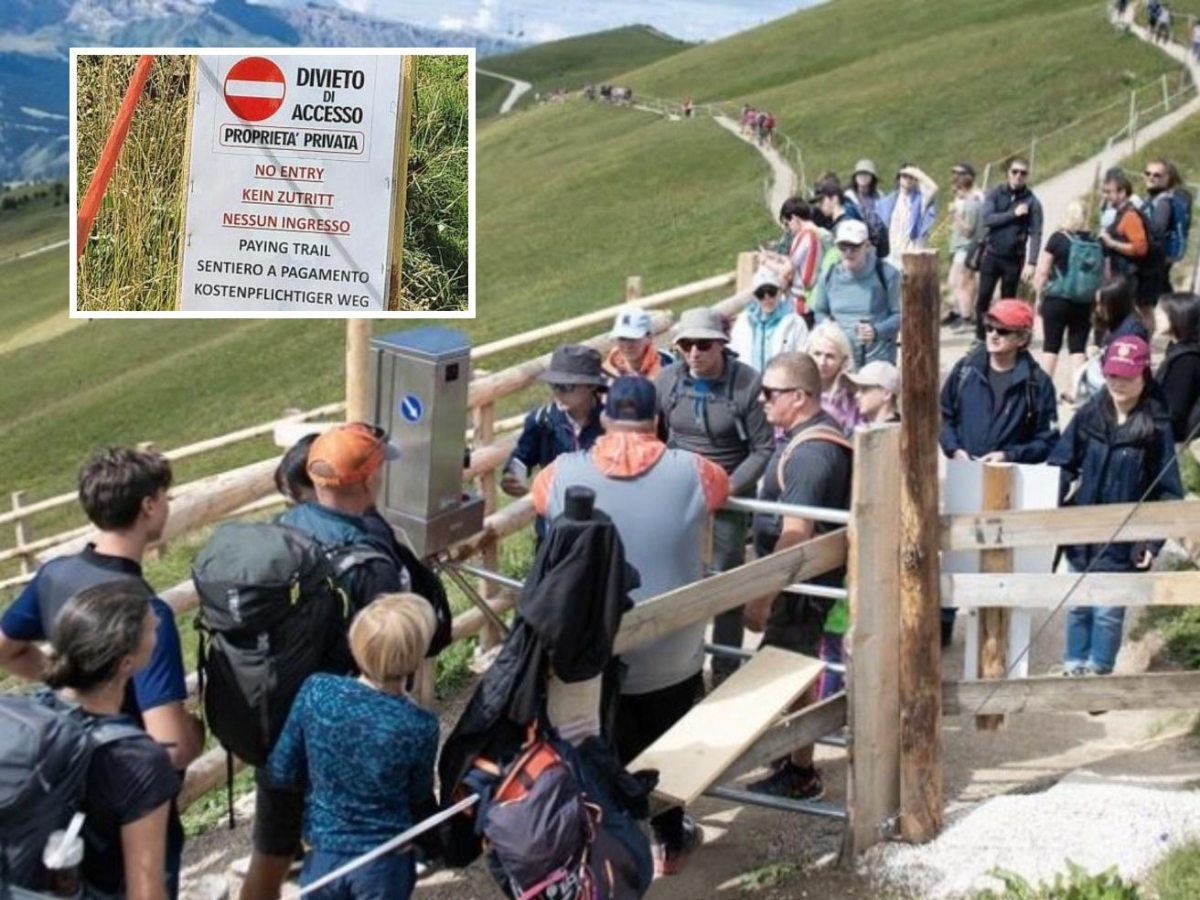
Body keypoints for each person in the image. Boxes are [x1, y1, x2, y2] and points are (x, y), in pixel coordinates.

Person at [533, 376, 731, 876]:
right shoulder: (693, 470)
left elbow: (539, 501)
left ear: (603, 418)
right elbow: (722, 488)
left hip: (596, 653)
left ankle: (610, 845)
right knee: (668, 743)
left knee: (602, 746)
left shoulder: (561, 473)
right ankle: (670, 837)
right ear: (658, 419)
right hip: (673, 650)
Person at [0, 447, 200, 898]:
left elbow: (8, 651)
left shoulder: (55, 573)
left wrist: (63, 676)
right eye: (165, 496)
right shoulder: (145, 615)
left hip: (59, 779)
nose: (168, 505)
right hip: (127, 793)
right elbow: (171, 747)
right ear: (149, 505)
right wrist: (198, 733)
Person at [243, 422, 414, 900]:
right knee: (355, 852)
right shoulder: (372, 563)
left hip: (279, 713)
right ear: (366, 481)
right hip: (342, 733)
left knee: (272, 851)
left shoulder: (284, 529)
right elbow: (390, 651)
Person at [265, 595, 439, 900]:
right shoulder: (418, 725)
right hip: (384, 861)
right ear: (415, 657)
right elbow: (418, 795)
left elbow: (280, 770)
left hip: (323, 856)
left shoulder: (317, 691)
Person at [743, 353, 853, 800]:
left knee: (778, 676)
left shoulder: (810, 454)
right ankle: (795, 764)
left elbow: (794, 536)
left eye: (770, 393)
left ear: (801, 397)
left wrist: (761, 597)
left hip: (799, 588)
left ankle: (799, 770)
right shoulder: (811, 437)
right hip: (802, 584)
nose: (762, 401)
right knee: (795, 675)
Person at [1049, 335, 1182, 676]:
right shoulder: (1088, 415)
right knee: (1078, 604)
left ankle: (1099, 671)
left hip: (1125, 539)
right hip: (1082, 530)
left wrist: (1151, 542)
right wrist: (1052, 509)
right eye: (1111, 375)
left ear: (1144, 375)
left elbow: (1169, 493)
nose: (1117, 383)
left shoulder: (1156, 426)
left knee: (1108, 610)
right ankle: (1073, 666)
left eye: (1126, 376)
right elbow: (1062, 464)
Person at [655, 309, 774, 686]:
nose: (694, 352)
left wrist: (728, 488)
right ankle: (679, 663)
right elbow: (656, 436)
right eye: (686, 345)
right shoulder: (667, 381)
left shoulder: (747, 385)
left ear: (721, 345)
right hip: (679, 492)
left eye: (703, 344)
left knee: (725, 578)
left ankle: (724, 667)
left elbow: (763, 447)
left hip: (728, 497)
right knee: (677, 577)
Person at [45, 582, 180, 900]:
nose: (158, 624)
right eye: (150, 628)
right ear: (127, 663)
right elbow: (145, 894)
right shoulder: (139, 761)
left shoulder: (31, 717)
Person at [939, 299, 1059, 648]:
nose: (993, 335)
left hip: (1008, 485)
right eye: (990, 326)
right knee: (954, 550)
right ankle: (944, 622)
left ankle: (996, 629)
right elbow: (944, 417)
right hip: (965, 474)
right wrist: (954, 448)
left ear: (1022, 337)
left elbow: (1049, 440)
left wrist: (1009, 455)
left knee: (1000, 556)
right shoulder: (965, 369)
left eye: (1002, 330)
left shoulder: (1037, 384)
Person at [500, 344, 606, 504]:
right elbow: (522, 458)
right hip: (555, 520)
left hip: (601, 516)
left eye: (566, 386)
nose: (557, 393)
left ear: (591, 385)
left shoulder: (612, 422)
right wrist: (512, 476)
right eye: (554, 385)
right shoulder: (541, 420)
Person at [811, 219, 902, 366]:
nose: (848, 252)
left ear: (866, 245)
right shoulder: (828, 275)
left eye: (854, 247)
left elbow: (900, 316)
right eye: (842, 247)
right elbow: (820, 311)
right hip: (841, 363)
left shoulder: (886, 273)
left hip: (877, 363)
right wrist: (829, 327)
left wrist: (876, 331)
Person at [1032, 200, 1101, 393]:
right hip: (1084, 302)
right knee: (1078, 348)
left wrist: (1038, 298)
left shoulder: (1057, 238)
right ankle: (1076, 392)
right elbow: (1105, 276)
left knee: (1051, 346)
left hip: (1057, 299)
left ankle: (1043, 392)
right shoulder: (1095, 242)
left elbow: (1043, 272)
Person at [975, 156, 1043, 341]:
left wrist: (1032, 262)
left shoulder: (1032, 201)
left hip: (1014, 259)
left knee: (1007, 302)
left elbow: (1036, 233)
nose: (1018, 176)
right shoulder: (995, 194)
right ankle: (980, 338)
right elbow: (988, 219)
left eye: (1023, 173)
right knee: (983, 298)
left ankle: (1003, 337)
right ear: (1008, 173)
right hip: (992, 255)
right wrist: (1013, 214)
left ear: (1027, 176)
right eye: (1015, 172)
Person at [1098, 168, 1159, 323]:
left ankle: (1139, 344)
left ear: (1122, 192)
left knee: (1138, 314)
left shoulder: (1130, 216)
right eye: (1104, 191)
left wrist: (1111, 243)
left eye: (1108, 192)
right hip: (1127, 273)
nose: (1105, 196)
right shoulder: (1121, 213)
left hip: (1132, 275)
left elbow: (1140, 248)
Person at [760, 196, 826, 323]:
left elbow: (787, 270)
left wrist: (765, 261)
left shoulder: (806, 235)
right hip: (813, 298)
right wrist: (778, 257)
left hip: (802, 303)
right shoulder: (818, 232)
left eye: (787, 223)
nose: (788, 228)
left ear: (795, 218)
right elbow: (800, 261)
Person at [728, 270, 809, 373]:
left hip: (782, 384)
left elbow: (803, 357)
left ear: (780, 292)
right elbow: (735, 353)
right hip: (750, 384)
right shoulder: (743, 321)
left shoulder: (795, 322)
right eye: (760, 293)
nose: (767, 297)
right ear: (755, 296)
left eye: (771, 291)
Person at [1155, 292, 1200, 444]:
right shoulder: (1176, 347)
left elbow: (1174, 411)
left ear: (1178, 317)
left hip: (1170, 436)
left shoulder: (1186, 359)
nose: (1156, 316)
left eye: (1161, 313)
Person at [807, 321, 864, 433]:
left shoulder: (854, 397)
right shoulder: (795, 391)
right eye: (817, 354)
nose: (822, 362)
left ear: (843, 361)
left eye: (830, 356)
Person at [946, 168, 984, 330]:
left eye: (957, 189)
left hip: (965, 248)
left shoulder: (970, 205)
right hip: (968, 248)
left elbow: (968, 230)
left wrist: (956, 215)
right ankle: (966, 313)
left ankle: (966, 317)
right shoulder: (977, 202)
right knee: (961, 282)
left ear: (963, 188)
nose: (956, 193)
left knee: (958, 283)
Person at [876, 163, 938, 258]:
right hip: (895, 254)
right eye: (905, 176)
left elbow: (933, 188)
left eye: (912, 177)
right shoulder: (890, 201)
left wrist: (917, 172)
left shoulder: (920, 200)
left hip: (914, 255)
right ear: (899, 178)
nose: (908, 179)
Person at [602, 307, 673, 379]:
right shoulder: (607, 369)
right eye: (622, 339)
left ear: (649, 338)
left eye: (633, 339)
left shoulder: (667, 365)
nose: (627, 346)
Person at [844, 159, 889, 258]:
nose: (862, 177)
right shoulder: (848, 198)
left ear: (872, 177)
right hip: (857, 244)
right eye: (860, 174)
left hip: (879, 246)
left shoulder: (880, 196)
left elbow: (885, 221)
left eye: (866, 174)